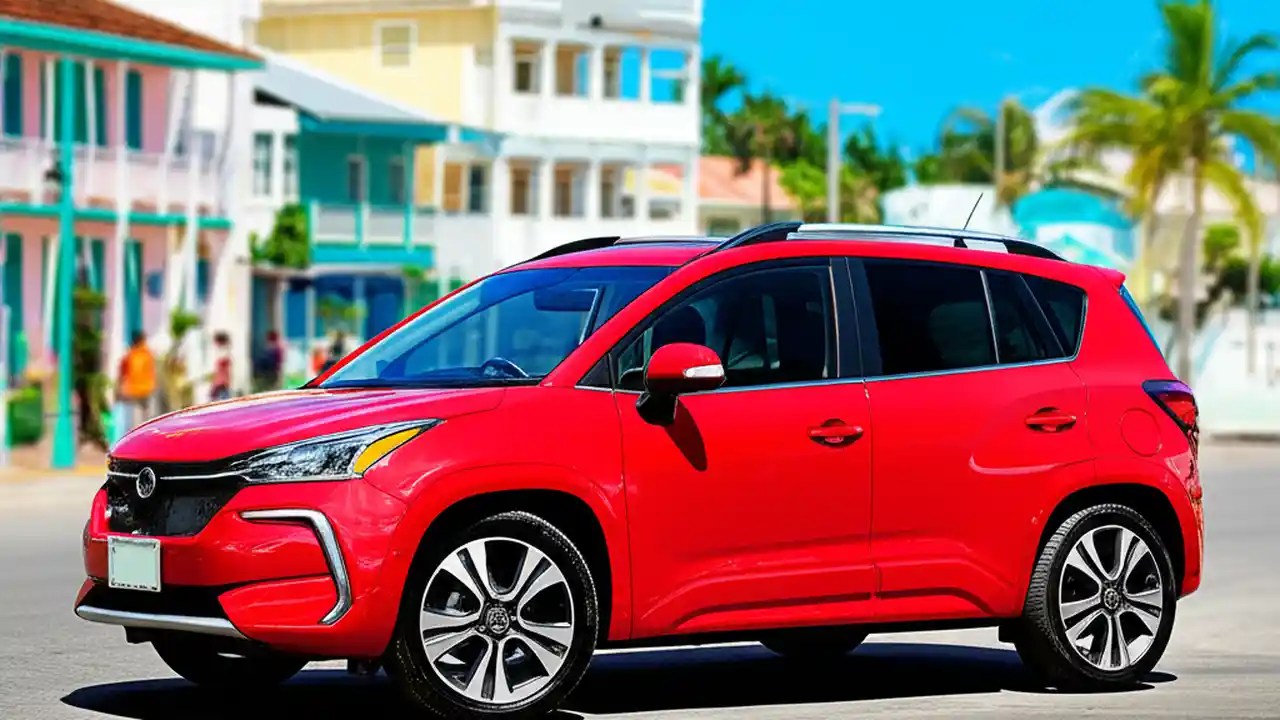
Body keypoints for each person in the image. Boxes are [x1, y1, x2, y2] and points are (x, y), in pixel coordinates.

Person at [117, 331, 156, 430]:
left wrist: (122, 387)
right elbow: (151, 371)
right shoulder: (148, 354)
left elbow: (122, 373)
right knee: (149, 419)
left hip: (134, 390)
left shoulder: (130, 355)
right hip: (147, 388)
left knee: (136, 421)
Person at [209, 331, 232, 401]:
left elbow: (221, 373)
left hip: (221, 385)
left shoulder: (223, 354)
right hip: (222, 384)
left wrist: (215, 385)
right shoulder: (223, 353)